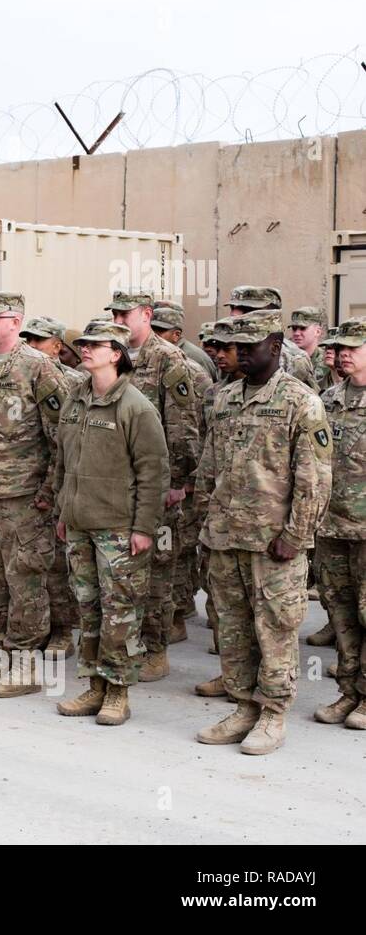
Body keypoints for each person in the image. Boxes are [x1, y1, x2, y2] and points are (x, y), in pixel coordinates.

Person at [195, 310, 332, 755]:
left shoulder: (301, 401)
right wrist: (204, 520)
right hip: (225, 537)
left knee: (274, 628)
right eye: (233, 347)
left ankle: (273, 714)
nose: (237, 355)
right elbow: (209, 467)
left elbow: (315, 479)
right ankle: (242, 706)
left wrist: (295, 536)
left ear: (274, 347)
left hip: (273, 542)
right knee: (233, 629)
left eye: (248, 348)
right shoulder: (224, 398)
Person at [54, 321, 168, 725]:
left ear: (116, 353)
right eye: (83, 345)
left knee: (120, 611)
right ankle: (94, 685)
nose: (84, 350)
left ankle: (118, 689)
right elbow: (62, 462)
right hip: (80, 522)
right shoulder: (76, 399)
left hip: (119, 527)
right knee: (88, 608)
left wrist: (143, 528)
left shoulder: (135, 406)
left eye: (95, 345)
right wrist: (63, 511)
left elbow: (154, 473)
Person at [0, 292, 67, 697]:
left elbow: (62, 436)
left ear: (16, 321)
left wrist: (49, 490)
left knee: (24, 579)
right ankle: (4, 653)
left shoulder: (38, 368)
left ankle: (26, 663)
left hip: (22, 495)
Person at [107, 291, 200, 682]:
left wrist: (176, 483)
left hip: (156, 486)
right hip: (118, 486)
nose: (118, 319)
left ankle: (155, 649)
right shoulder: (116, 356)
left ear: (146, 315)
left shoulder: (168, 359)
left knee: (158, 573)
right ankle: (126, 646)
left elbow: (183, 426)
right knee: (122, 573)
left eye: (124, 313)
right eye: (113, 313)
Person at [311, 317, 366, 729]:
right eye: (340, 347)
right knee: (342, 615)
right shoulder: (328, 400)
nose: (343, 353)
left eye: (353, 347)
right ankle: (349, 693)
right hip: (332, 528)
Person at [21, 315, 83, 656]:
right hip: (22, 485)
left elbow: (64, 441)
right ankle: (35, 628)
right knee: (28, 563)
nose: (31, 347)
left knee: (58, 563)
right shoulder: (22, 377)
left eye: (39, 341)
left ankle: (62, 630)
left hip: (54, 486)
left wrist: (52, 488)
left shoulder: (72, 382)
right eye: (27, 340)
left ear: (58, 346)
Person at [151, 304, 213, 644]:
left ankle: (177, 610)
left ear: (176, 335)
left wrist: (188, 478)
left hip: (184, 472)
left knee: (179, 546)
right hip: (155, 475)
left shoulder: (193, 371)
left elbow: (195, 427)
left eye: (163, 331)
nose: (157, 337)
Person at [194, 318, 242, 698]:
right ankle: (234, 676)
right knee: (227, 608)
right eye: (217, 348)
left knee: (269, 616)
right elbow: (208, 457)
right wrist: (202, 508)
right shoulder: (219, 395)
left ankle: (267, 698)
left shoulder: (294, 397)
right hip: (221, 520)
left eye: (227, 349)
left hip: (264, 526)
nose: (218, 355)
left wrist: (297, 532)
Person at [226, 286, 317, 389]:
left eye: (246, 309)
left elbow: (308, 399)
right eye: (233, 308)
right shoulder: (228, 348)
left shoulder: (295, 359)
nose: (234, 314)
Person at [154, 299, 219, 381]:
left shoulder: (195, 357)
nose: (154, 335)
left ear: (176, 334)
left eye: (160, 330)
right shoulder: (152, 352)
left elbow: (207, 391)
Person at [289, 306, 333, 392]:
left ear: (318, 331)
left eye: (303, 328)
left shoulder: (328, 361)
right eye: (294, 329)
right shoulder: (285, 360)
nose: (297, 333)